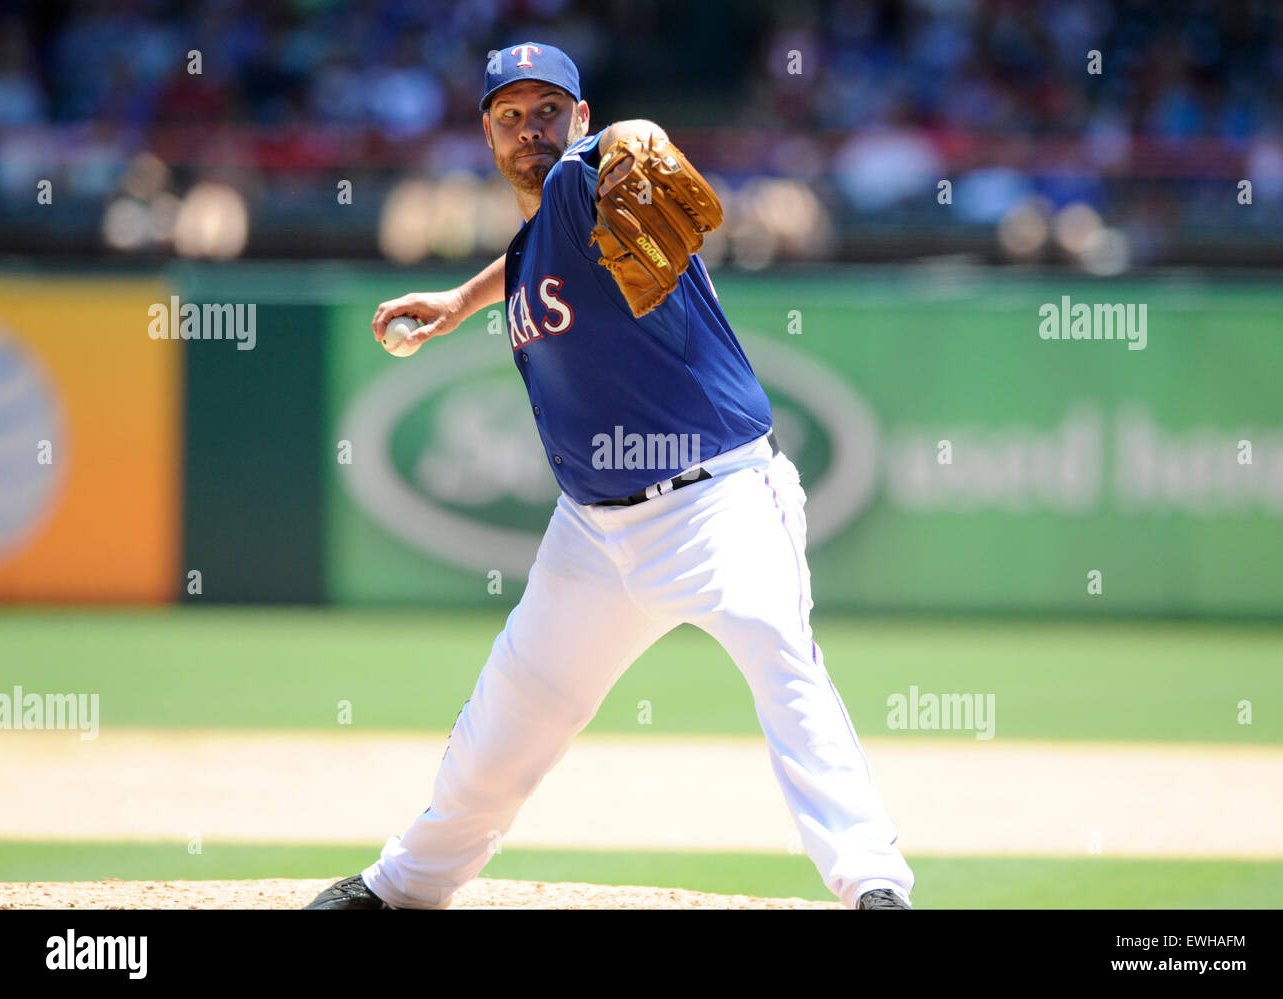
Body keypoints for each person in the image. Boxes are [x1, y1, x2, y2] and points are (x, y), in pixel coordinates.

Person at [305, 42, 914, 911]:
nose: (530, 131)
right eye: (510, 117)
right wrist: (457, 302)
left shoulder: (587, 179)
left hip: (718, 501)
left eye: (550, 111)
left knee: (782, 661)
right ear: (486, 134)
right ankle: (405, 883)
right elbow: (525, 257)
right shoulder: (530, 251)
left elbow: (620, 146)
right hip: (592, 531)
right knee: (511, 708)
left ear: (581, 120)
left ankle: (875, 882)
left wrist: (631, 130)